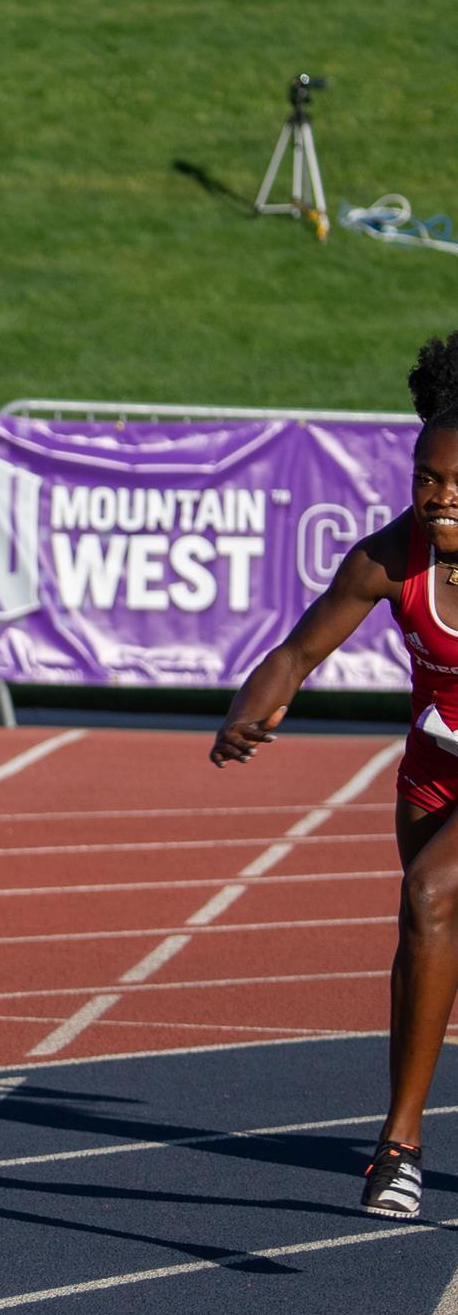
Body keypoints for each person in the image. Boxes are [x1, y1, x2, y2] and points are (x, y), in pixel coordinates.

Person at [212, 368, 458, 1222]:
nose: (439, 496)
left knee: (430, 895)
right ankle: (404, 1138)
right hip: (432, 773)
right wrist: (248, 707)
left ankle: (396, 1148)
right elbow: (296, 653)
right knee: (427, 934)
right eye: (427, 476)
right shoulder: (389, 559)